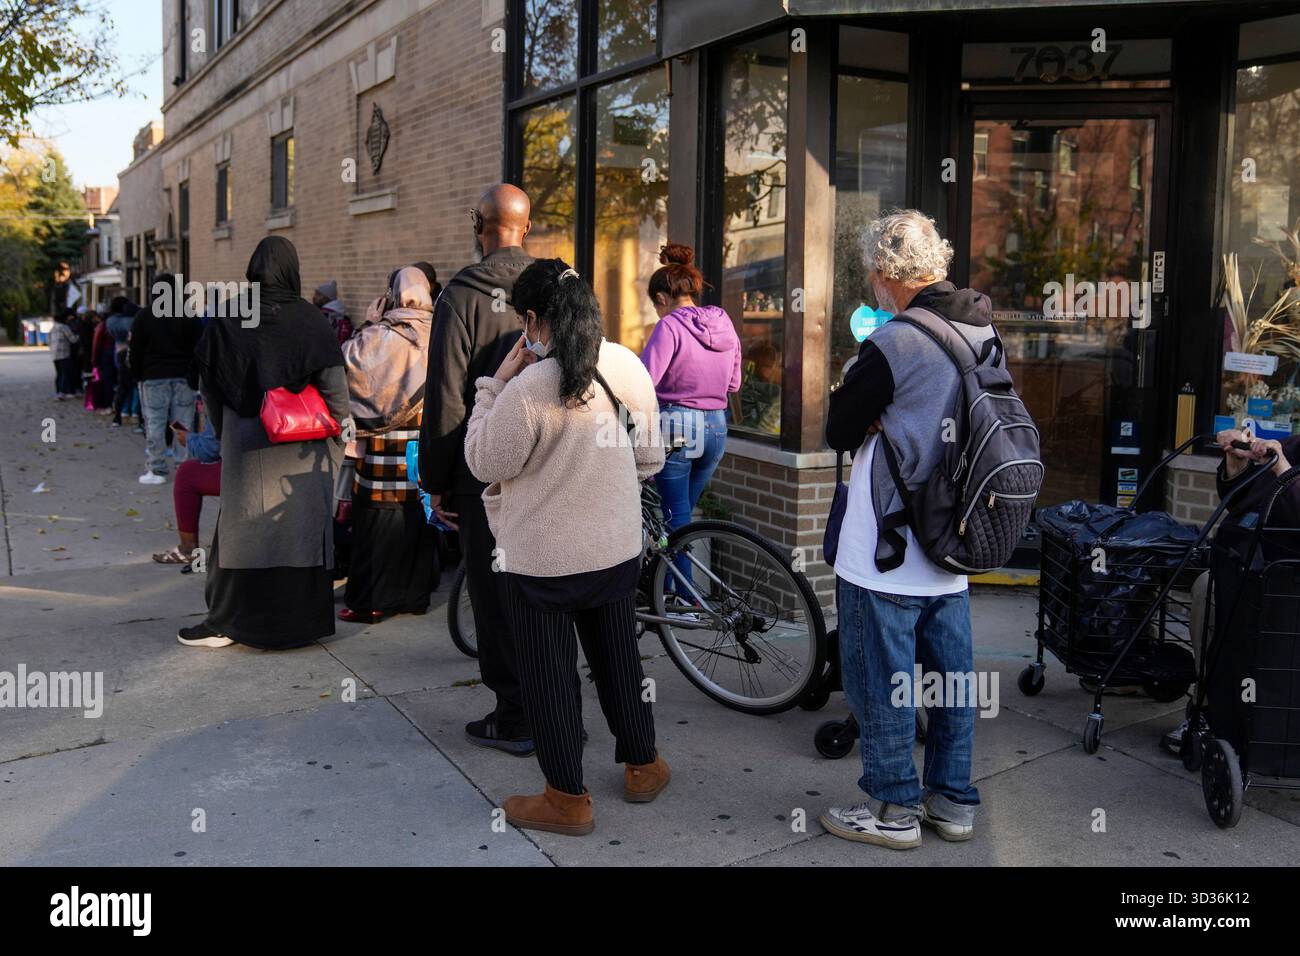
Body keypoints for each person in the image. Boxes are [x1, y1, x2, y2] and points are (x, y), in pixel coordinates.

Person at [465, 259, 668, 835]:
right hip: (614, 549)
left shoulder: (528, 387)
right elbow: (650, 460)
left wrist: (493, 384)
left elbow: (483, 461)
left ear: (534, 319)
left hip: (541, 560)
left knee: (551, 678)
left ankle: (566, 799)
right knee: (619, 661)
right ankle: (642, 766)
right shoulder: (627, 364)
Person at [821, 210, 994, 850]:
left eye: (871, 272)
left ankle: (893, 811)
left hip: (888, 544)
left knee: (881, 681)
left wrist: (872, 415)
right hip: (954, 541)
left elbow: (840, 428)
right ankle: (952, 804)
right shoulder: (982, 327)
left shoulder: (894, 341)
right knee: (951, 684)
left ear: (885, 273)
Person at [183, 236, 350, 650]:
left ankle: (227, 623)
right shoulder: (313, 321)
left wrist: (227, 436)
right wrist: (336, 445)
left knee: (241, 531)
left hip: (245, 441)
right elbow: (335, 393)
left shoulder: (227, 318)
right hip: (302, 448)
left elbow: (209, 386)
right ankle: (300, 625)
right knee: (299, 532)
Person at [419, 183, 536, 755]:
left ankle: (516, 714)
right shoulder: (561, 285)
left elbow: (444, 396)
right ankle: (554, 703)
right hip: (549, 463)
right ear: (527, 228)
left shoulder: (459, 295)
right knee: (544, 587)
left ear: (478, 226)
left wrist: (436, 479)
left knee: (493, 591)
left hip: (483, 469)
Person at [1159, 427, 1300, 755]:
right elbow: (1240, 502)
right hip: (1256, 571)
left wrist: (1282, 469)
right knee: (1207, 588)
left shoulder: (1287, 454)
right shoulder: (1294, 444)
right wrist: (1235, 466)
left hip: (1287, 585)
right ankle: (1209, 708)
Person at [339, 266, 442, 622]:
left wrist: (369, 323)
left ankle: (371, 601)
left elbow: (348, 363)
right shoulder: (441, 331)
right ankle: (414, 597)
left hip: (383, 451)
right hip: (423, 449)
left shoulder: (381, 334)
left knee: (376, 526)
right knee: (418, 521)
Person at [639, 242, 740, 571]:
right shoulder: (725, 323)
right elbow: (734, 384)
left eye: (657, 307)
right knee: (682, 518)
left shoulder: (668, 326)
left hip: (678, 426)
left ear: (661, 300)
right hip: (717, 428)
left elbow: (644, 380)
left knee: (677, 521)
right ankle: (664, 590)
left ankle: (687, 602)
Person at [130, 275, 203, 484]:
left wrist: (137, 375)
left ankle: (157, 469)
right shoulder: (189, 315)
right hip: (183, 377)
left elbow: (135, 350)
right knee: (182, 424)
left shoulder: (144, 316)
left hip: (153, 377)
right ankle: (184, 468)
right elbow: (200, 348)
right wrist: (195, 377)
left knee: (155, 424)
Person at [152, 416, 221, 567]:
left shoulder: (220, 394)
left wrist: (189, 439)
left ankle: (188, 549)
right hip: (279, 464)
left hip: (248, 470)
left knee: (187, 473)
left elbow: (209, 451)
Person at [106, 296, 137, 428]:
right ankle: (136, 413)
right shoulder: (130, 321)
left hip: (118, 352)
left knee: (122, 385)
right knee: (136, 385)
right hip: (133, 353)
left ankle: (119, 414)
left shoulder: (110, 321)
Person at [48, 312, 80, 399]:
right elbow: (72, 339)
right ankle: (62, 392)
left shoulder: (52, 329)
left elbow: (49, 342)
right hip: (64, 353)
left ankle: (58, 392)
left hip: (54, 355)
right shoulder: (64, 327)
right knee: (65, 373)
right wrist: (79, 336)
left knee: (58, 374)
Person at [313, 279, 351, 346]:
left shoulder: (324, 315)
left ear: (326, 297)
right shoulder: (341, 315)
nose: (314, 297)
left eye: (318, 294)